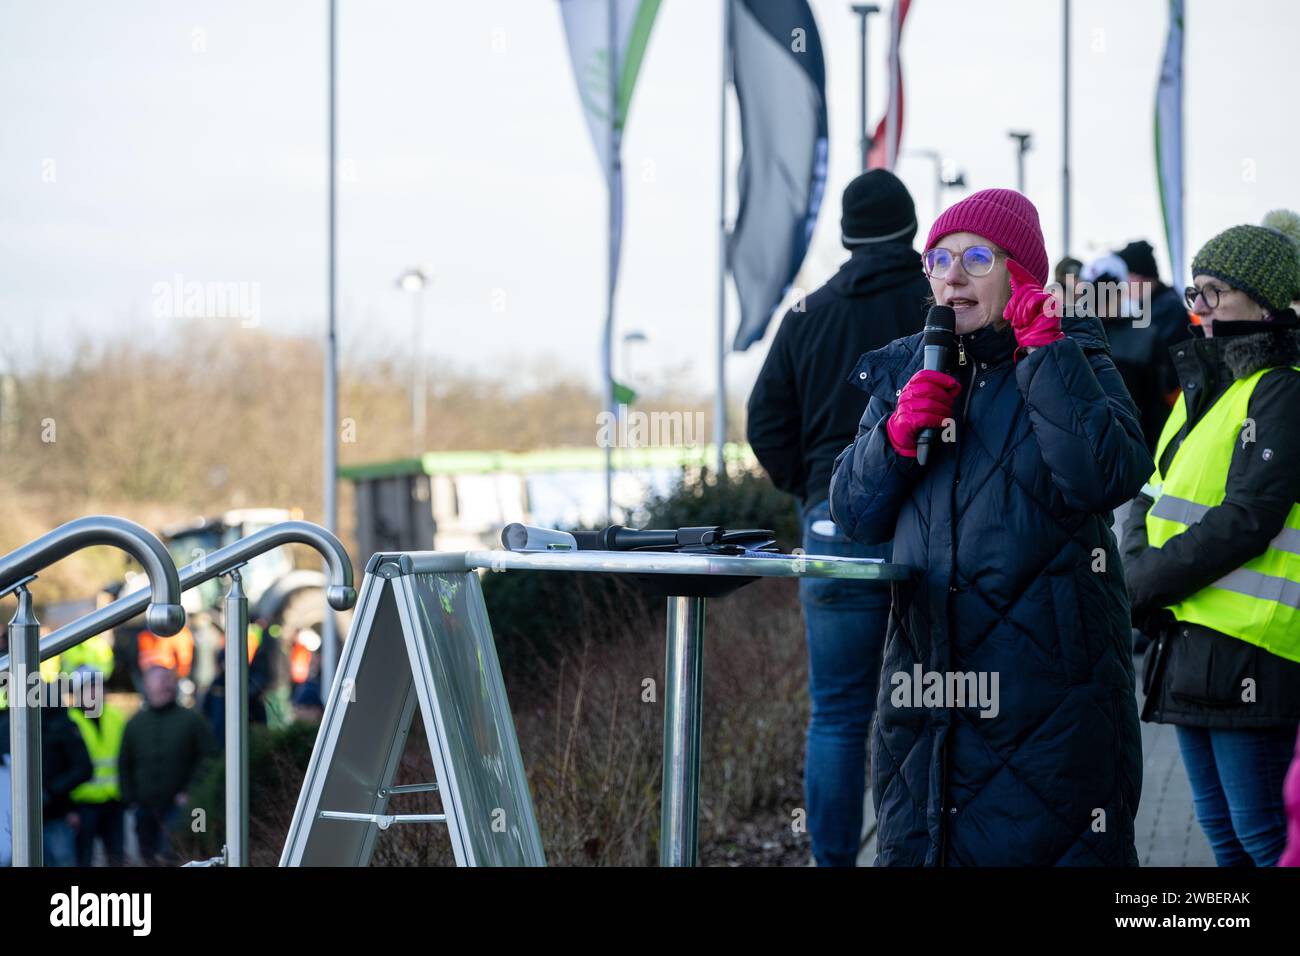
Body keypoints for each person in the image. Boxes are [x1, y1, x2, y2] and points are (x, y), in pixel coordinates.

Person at [830, 188, 1152, 866]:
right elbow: (855, 516)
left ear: (1021, 274)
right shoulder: (904, 367)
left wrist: (1044, 356)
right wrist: (892, 437)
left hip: (1048, 701)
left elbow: (1106, 476)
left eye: (976, 258)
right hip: (924, 698)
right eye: (938, 260)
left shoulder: (1074, 353)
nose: (951, 275)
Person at [747, 169, 928, 866]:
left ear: (847, 236)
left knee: (839, 715)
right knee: (931, 705)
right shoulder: (938, 303)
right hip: (928, 526)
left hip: (834, 531)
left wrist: (814, 491)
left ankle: (832, 861)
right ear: (912, 231)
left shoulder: (806, 314)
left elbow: (766, 421)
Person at [1124, 214, 1300, 867]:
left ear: (1265, 298)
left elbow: (1249, 516)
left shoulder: (1280, 391)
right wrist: (1137, 573)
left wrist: (1140, 582)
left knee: (1262, 840)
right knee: (1223, 836)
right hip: (1188, 642)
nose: (1196, 307)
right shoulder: (1209, 387)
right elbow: (1149, 493)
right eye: (1192, 291)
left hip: (1252, 648)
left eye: (1212, 291)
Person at [119, 666, 218, 864]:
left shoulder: (192, 720)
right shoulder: (135, 723)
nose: (166, 683)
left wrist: (190, 792)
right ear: (147, 685)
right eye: (160, 679)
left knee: (175, 854)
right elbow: (124, 764)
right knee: (148, 855)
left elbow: (209, 759)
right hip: (145, 808)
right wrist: (130, 799)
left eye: (169, 679)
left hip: (180, 807)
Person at [66, 666, 127, 866]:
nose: (96, 692)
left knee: (116, 858)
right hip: (82, 805)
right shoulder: (68, 722)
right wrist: (68, 808)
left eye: (98, 687)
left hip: (113, 802)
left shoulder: (115, 716)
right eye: (90, 688)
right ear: (77, 693)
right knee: (83, 859)